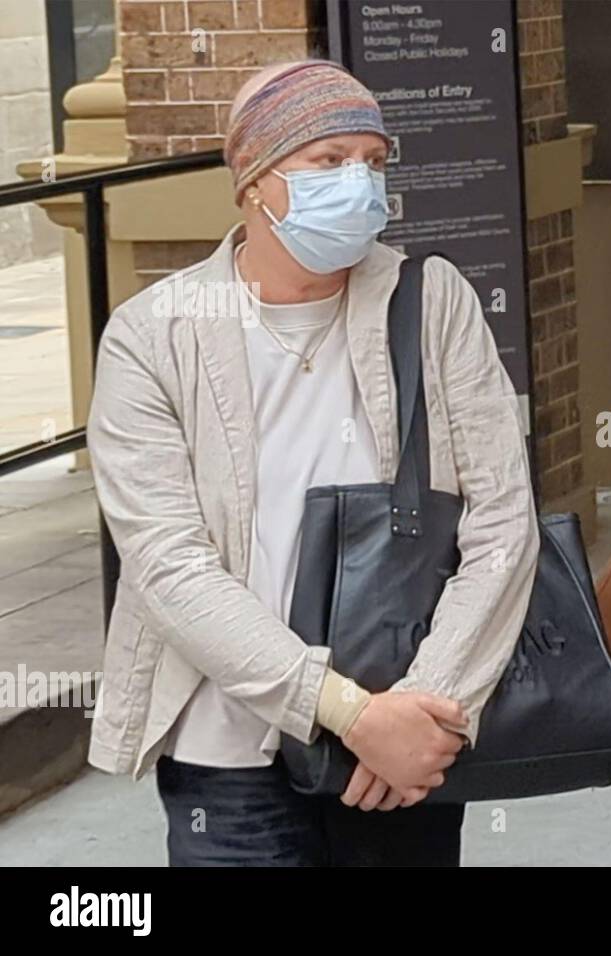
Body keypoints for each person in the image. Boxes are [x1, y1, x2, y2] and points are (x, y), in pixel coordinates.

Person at [86, 60, 539, 866]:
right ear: (254, 181)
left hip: (401, 740)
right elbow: (168, 566)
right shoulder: (154, 334)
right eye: (329, 161)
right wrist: (346, 711)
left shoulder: (432, 303)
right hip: (229, 755)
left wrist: (426, 711)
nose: (360, 184)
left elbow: (501, 520)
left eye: (373, 161)